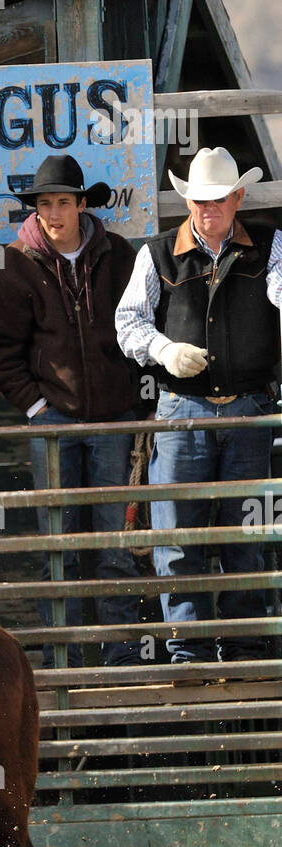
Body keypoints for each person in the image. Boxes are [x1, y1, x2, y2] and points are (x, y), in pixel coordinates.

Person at [116, 146, 282, 667]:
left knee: (245, 536)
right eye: (199, 201)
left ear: (237, 199)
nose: (207, 210)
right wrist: (163, 349)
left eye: (217, 200)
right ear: (189, 200)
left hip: (249, 407)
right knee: (177, 536)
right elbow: (128, 324)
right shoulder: (157, 253)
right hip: (181, 408)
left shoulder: (272, 248)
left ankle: (243, 645)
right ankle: (186, 649)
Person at [0, 155, 145, 668]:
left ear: (82, 204)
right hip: (53, 422)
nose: (54, 213)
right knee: (62, 546)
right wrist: (35, 406)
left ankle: (121, 658)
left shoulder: (119, 254)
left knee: (115, 544)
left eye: (64, 202)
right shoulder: (13, 263)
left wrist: (135, 404)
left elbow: (140, 326)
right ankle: (66, 659)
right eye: (45, 203)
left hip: (113, 420)